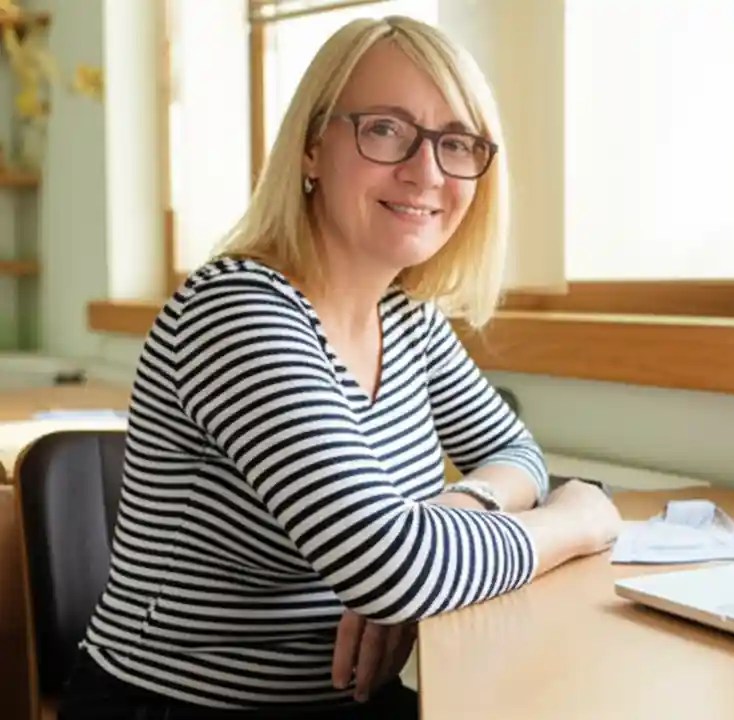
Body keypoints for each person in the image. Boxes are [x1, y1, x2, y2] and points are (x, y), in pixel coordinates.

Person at [58, 14, 621, 719]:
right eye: (386, 129)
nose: (426, 171)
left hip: (350, 702)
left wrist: (446, 514)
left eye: (456, 143)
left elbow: (512, 455)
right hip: (182, 707)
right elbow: (394, 569)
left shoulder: (408, 319)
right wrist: (577, 520)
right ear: (310, 149)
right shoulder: (237, 311)